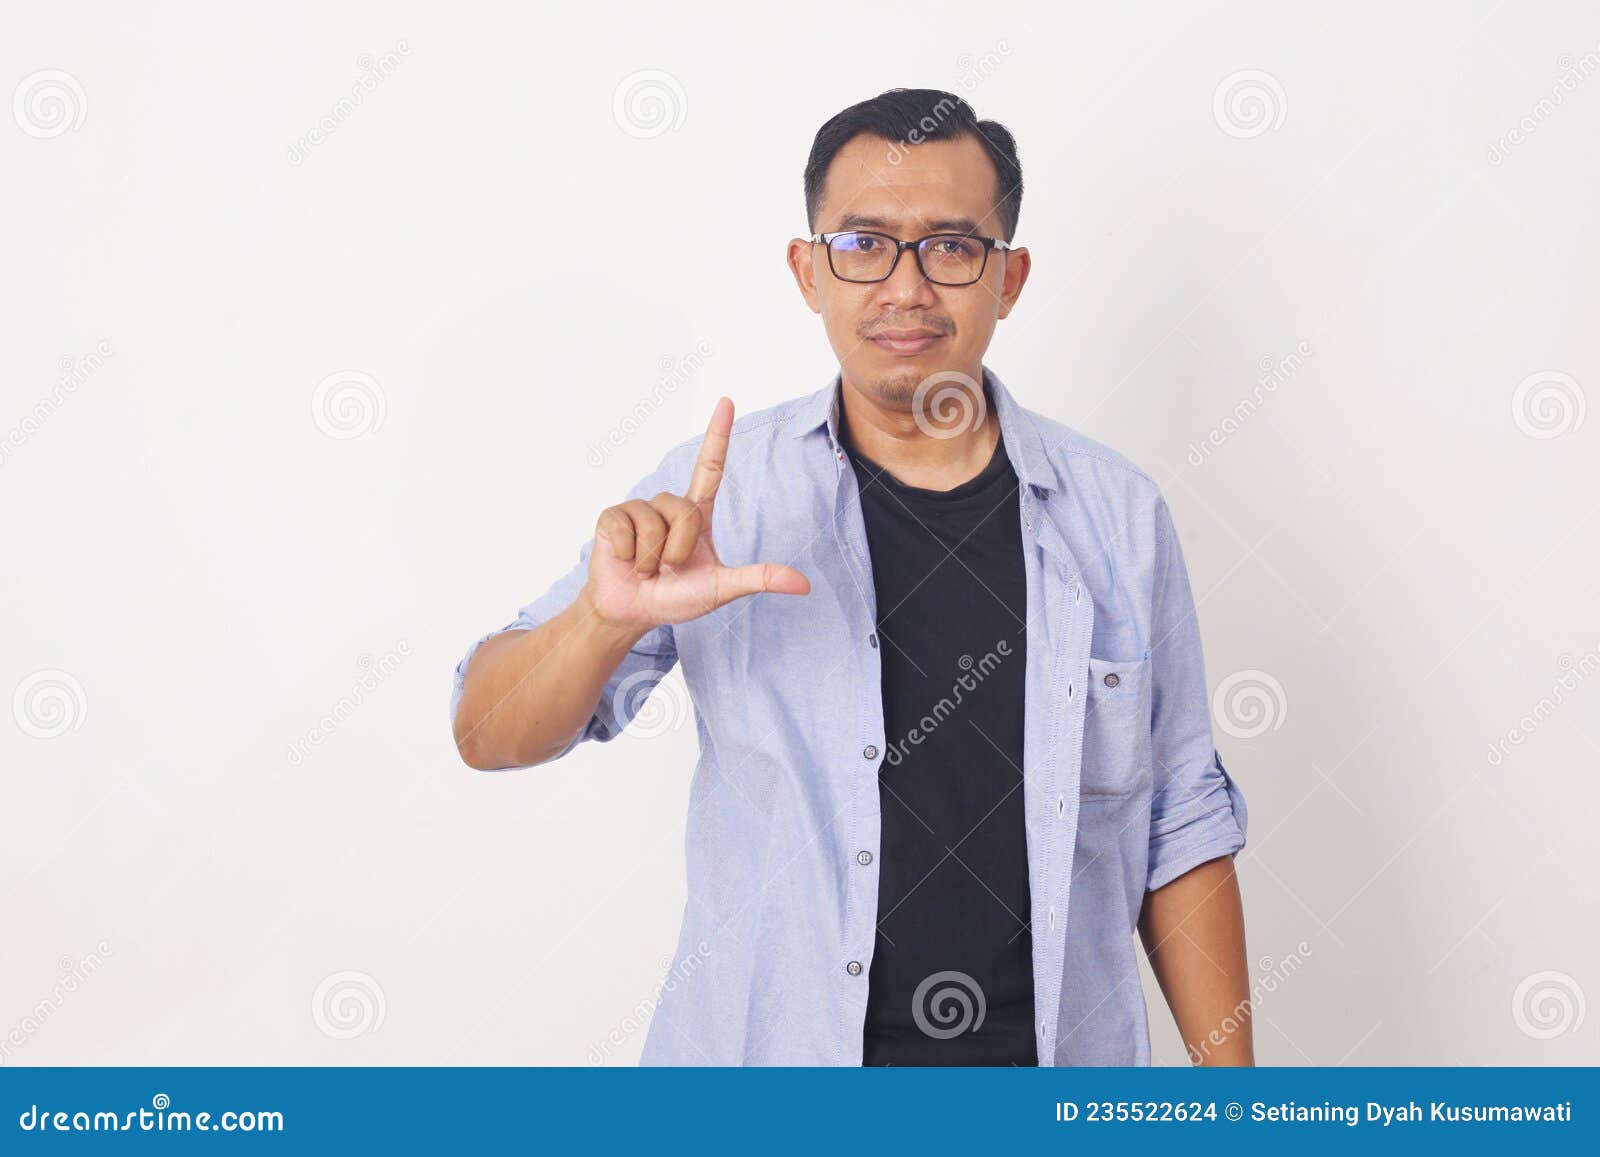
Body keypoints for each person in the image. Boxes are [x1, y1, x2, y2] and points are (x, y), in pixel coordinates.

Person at [450, 88, 1251, 1066]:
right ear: (808, 270)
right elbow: (486, 733)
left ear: (1009, 278)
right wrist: (601, 619)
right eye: (863, 243)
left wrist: (1236, 1103)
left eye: (951, 247)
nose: (905, 287)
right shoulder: (719, 498)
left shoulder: (1118, 517)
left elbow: (1178, 819)